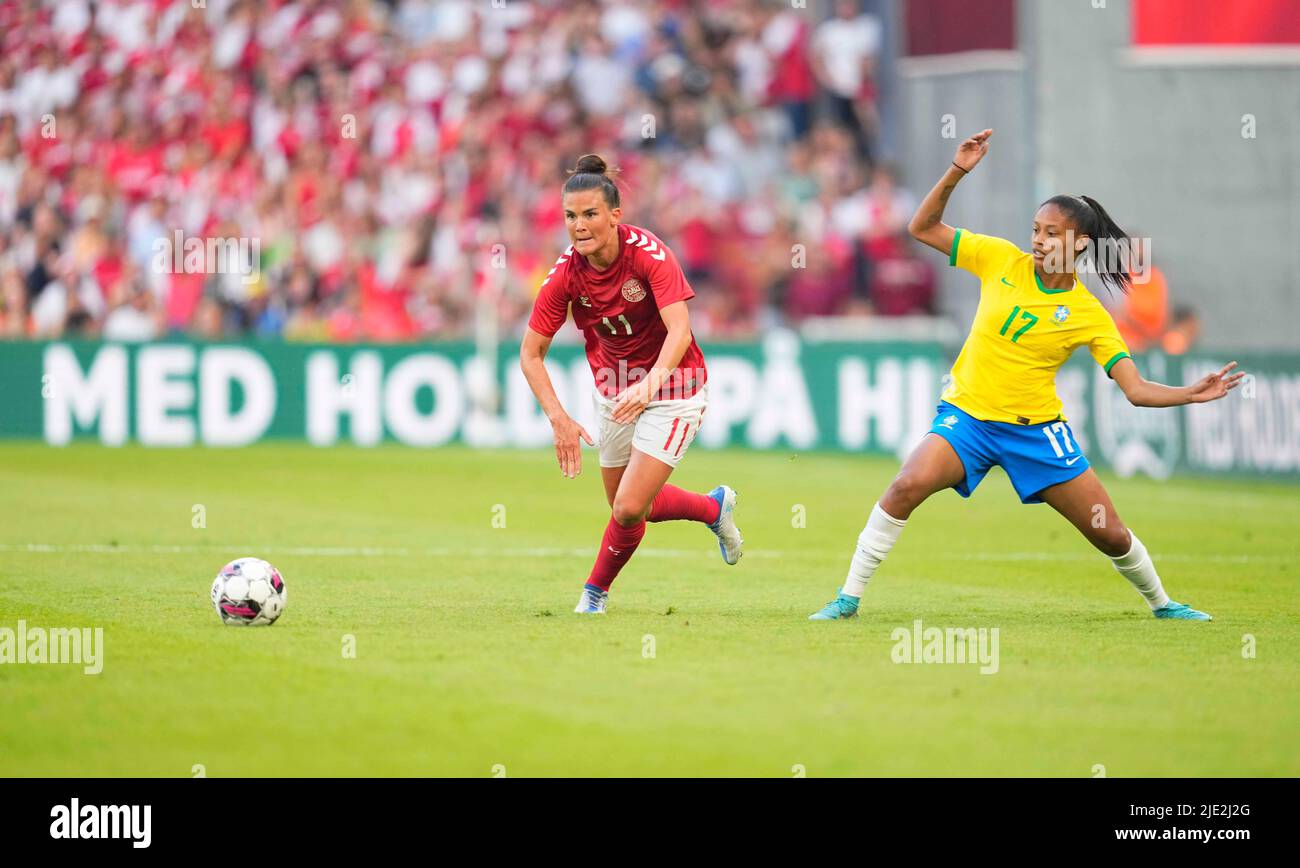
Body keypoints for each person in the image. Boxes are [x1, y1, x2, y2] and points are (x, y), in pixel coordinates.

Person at [809, 129, 1244, 622]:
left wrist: (1190, 393)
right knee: (906, 485)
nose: (1037, 240)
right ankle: (847, 598)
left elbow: (1137, 391)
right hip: (968, 421)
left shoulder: (1088, 312)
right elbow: (921, 227)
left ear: (1079, 243)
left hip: (1036, 433)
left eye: (1050, 233)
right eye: (1035, 229)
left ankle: (1164, 604)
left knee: (1109, 532)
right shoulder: (999, 259)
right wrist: (957, 171)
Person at [520, 154, 743, 614]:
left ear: (615, 216)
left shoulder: (649, 256)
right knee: (631, 507)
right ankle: (712, 508)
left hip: (675, 385)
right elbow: (530, 354)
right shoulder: (565, 274)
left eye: (589, 214)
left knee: (626, 509)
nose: (578, 226)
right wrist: (559, 418)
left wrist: (649, 385)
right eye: (570, 216)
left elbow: (679, 331)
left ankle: (593, 595)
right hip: (614, 391)